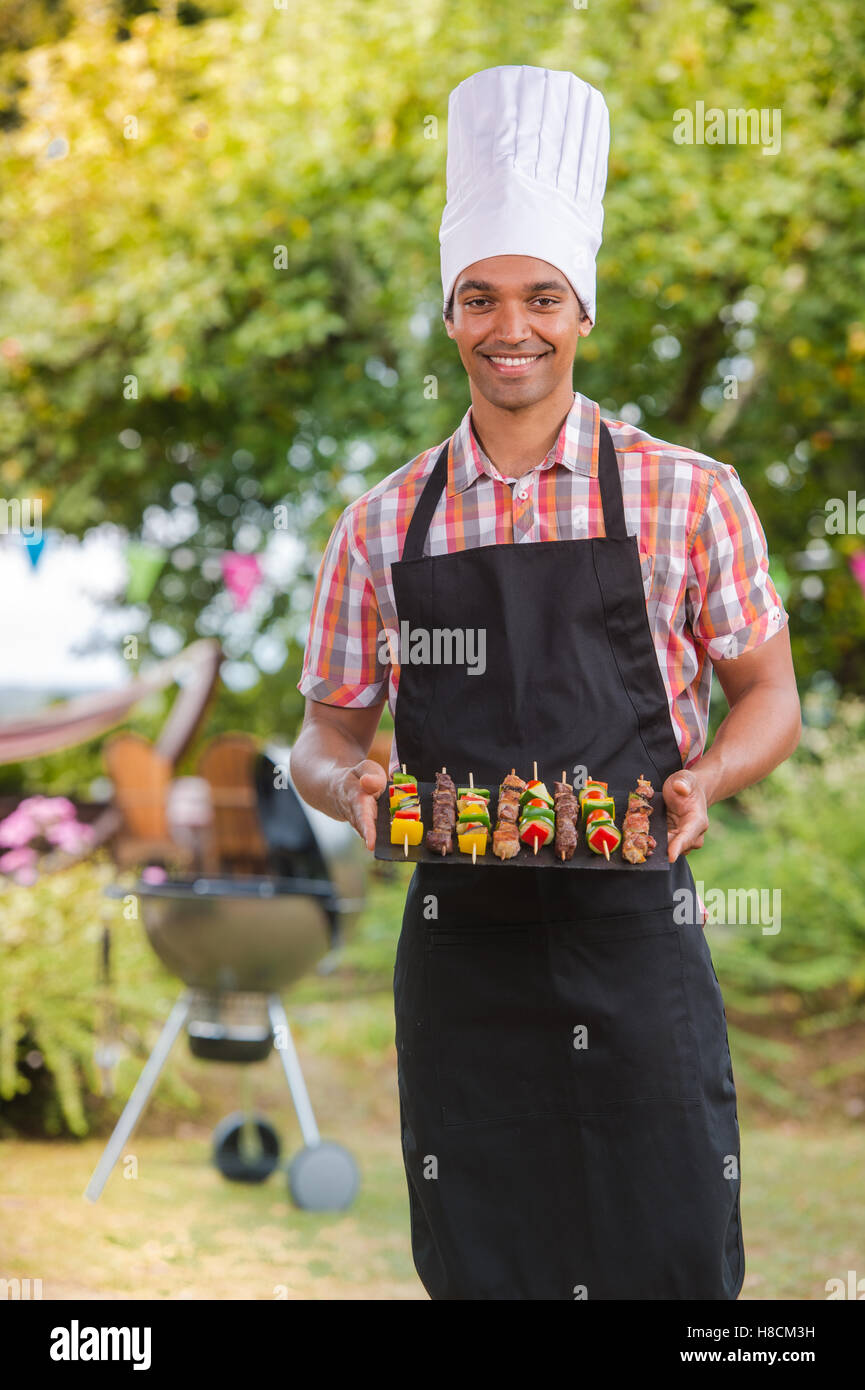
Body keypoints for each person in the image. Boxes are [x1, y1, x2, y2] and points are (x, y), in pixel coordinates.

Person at [290, 65, 801, 1300]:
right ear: (450, 314)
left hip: (635, 932)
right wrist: (352, 790)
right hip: (460, 943)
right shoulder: (380, 525)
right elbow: (319, 736)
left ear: (582, 310)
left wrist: (704, 779)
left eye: (539, 296)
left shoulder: (687, 492)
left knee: (670, 1247)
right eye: (480, 298)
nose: (508, 324)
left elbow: (768, 698)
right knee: (486, 1257)